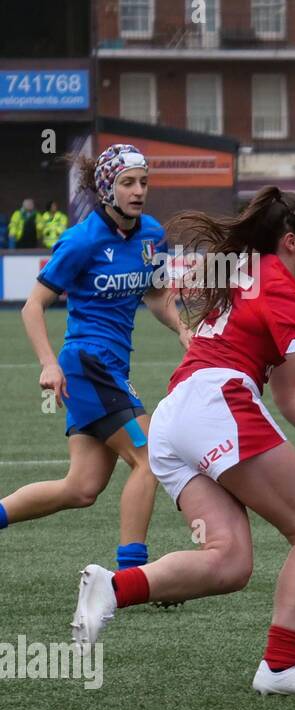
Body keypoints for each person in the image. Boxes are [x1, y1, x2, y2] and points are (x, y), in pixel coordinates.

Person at [70, 186, 295, 695]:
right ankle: (279, 666)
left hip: (175, 420)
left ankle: (113, 588)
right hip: (215, 405)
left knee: (229, 562)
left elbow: (292, 398)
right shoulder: (279, 284)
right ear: (290, 242)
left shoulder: (249, 275)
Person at [1, 145, 187, 572]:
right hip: (86, 364)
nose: (138, 191)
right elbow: (33, 306)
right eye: (127, 183)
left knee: (81, 488)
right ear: (107, 188)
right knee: (149, 456)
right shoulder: (81, 240)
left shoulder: (152, 235)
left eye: (143, 182)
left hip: (110, 369)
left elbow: (157, 297)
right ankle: (131, 575)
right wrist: (49, 363)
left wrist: (181, 327)